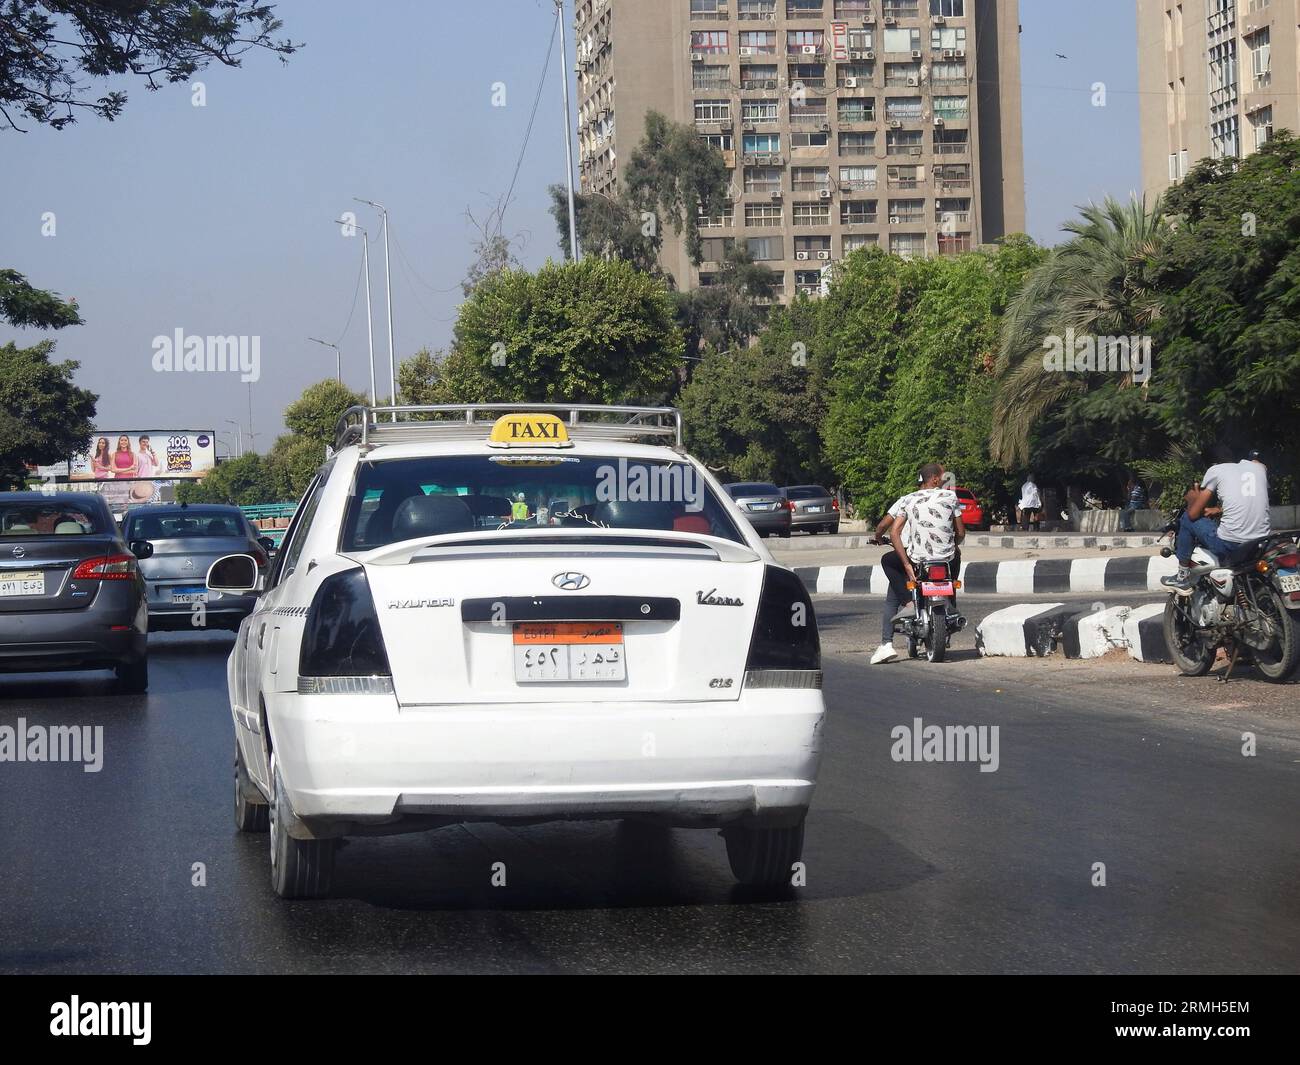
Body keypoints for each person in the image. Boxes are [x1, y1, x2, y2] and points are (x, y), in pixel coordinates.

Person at [870, 463, 965, 665]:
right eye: (943, 476)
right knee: (956, 555)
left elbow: (888, 529)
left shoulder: (908, 499)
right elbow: (962, 533)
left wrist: (903, 561)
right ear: (936, 480)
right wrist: (949, 545)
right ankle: (951, 602)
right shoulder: (950, 497)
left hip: (915, 557)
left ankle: (888, 641)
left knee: (890, 573)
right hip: (945, 558)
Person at [1161, 444, 1271, 594]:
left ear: (1211, 464)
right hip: (1262, 542)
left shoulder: (1216, 470)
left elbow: (1194, 514)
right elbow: (1246, 499)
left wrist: (1193, 498)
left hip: (1231, 545)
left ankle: (1182, 576)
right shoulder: (1257, 468)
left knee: (1187, 518)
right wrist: (1219, 510)